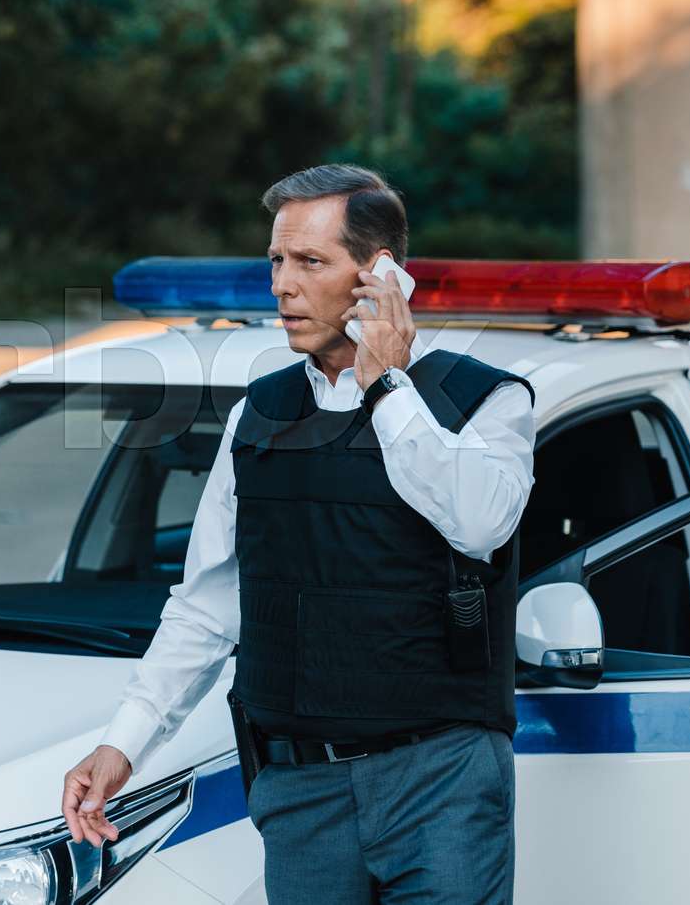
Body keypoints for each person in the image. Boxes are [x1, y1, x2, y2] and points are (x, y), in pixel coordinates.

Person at [61, 165, 536, 904]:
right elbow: (208, 604)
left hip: (439, 780)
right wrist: (123, 743)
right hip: (300, 792)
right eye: (277, 260)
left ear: (380, 275)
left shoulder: (484, 399)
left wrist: (386, 385)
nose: (282, 284)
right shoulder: (261, 413)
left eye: (310, 262)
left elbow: (482, 523)